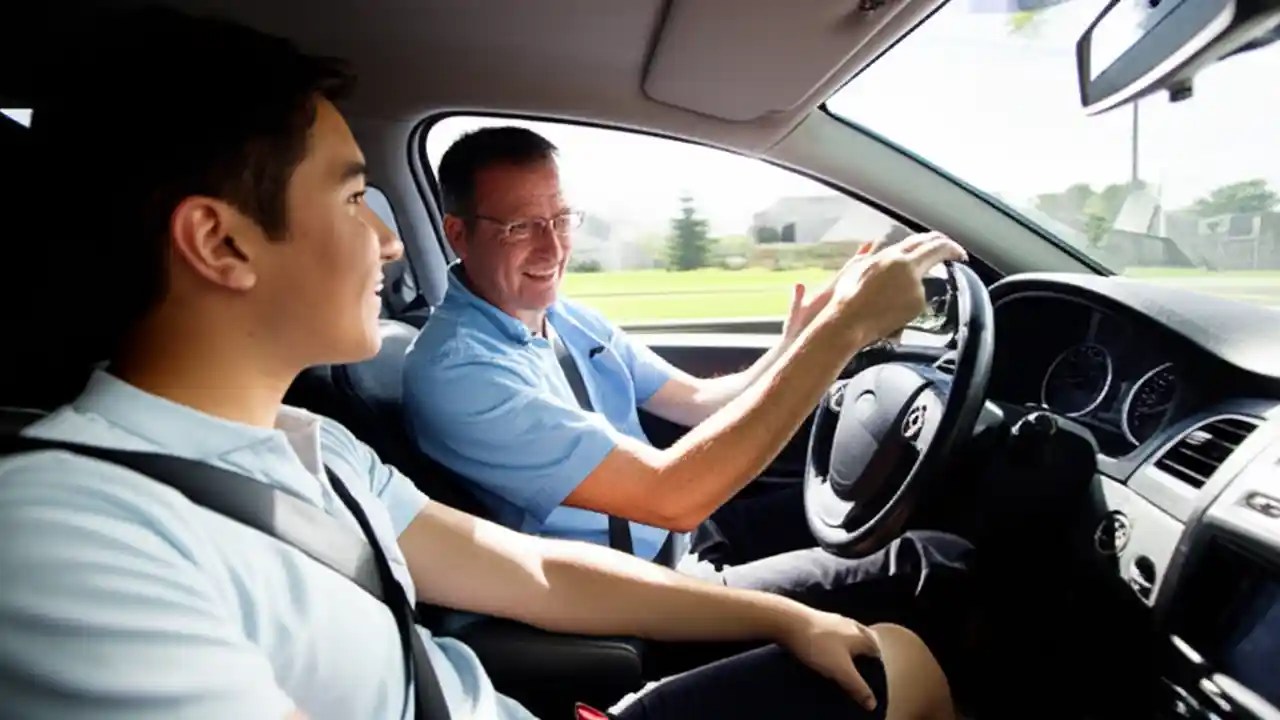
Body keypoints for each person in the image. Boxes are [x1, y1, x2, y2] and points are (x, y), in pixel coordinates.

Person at [0, 7, 963, 720]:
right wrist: (839, 333)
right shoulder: (59, 535)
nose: (385, 245)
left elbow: (538, 572)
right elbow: (648, 509)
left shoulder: (313, 448)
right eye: (350, 202)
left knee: (886, 646)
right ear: (221, 244)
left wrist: (777, 621)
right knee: (907, 652)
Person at [402, 127, 975, 664]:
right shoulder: (459, 371)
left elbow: (698, 400)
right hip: (637, 599)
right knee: (933, 562)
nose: (553, 248)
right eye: (521, 227)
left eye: (561, 218)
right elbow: (668, 496)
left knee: (912, 505)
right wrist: (842, 332)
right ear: (459, 234)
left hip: (684, 542)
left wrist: (797, 345)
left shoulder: (564, 316)